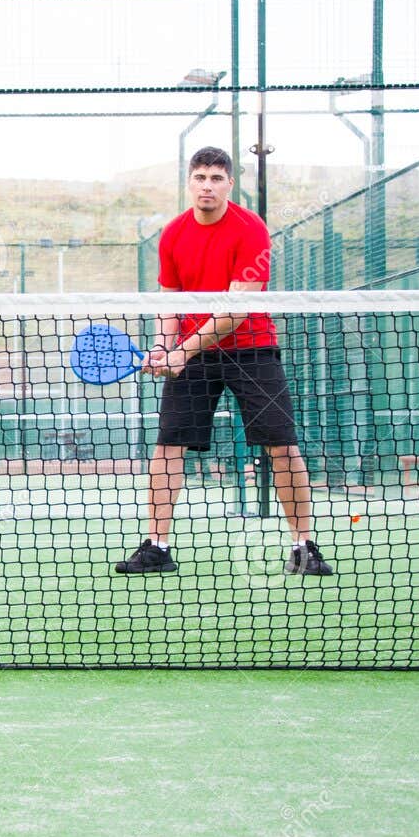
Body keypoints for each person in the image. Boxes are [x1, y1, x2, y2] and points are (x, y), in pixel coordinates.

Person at [115, 146, 332, 577]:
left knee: (282, 445)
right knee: (167, 446)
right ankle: (157, 547)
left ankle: (303, 547)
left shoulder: (251, 230)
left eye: (216, 178)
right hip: (193, 354)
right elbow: (170, 303)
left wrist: (182, 351)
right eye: (200, 177)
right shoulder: (173, 234)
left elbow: (235, 310)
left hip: (251, 348)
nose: (207, 186)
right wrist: (162, 347)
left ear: (230, 184)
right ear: (189, 183)